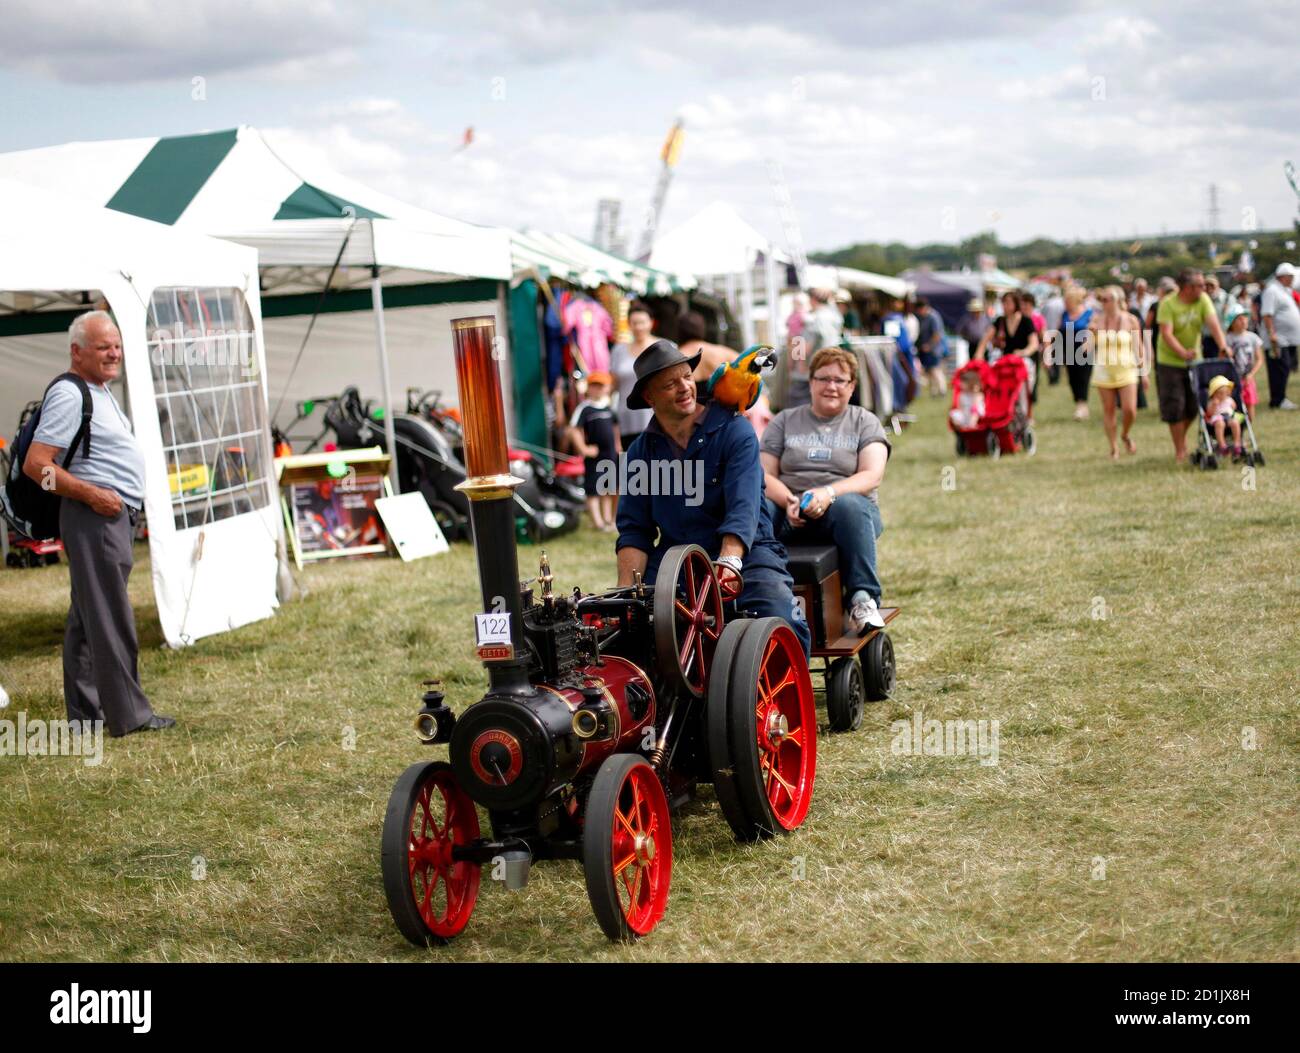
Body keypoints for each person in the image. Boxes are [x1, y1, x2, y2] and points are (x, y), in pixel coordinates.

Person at [23, 311, 174, 737]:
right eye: (103, 346)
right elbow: (39, 467)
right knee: (110, 617)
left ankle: (85, 717)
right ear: (77, 351)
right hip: (95, 516)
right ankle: (129, 715)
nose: (114, 353)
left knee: (88, 618)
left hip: (105, 516)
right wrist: (92, 494)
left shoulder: (98, 390)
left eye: (117, 345)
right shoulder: (71, 394)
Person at [615, 339, 810, 655]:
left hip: (749, 554)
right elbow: (634, 532)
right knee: (633, 630)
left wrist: (729, 563)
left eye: (687, 377)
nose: (685, 388)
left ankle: (781, 698)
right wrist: (625, 595)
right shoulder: (640, 453)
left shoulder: (736, 431)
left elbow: (743, 507)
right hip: (677, 563)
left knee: (781, 617)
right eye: (670, 384)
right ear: (649, 397)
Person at [761, 347, 890, 635]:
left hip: (846, 514)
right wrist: (788, 500)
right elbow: (764, 474)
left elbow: (872, 475)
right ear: (811, 382)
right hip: (790, 509)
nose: (831, 386)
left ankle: (862, 599)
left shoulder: (864, 421)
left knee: (850, 505)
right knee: (758, 508)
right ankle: (760, 596)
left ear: (852, 386)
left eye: (840, 380)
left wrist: (828, 493)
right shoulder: (784, 420)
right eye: (823, 378)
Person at [1155, 269, 1229, 463]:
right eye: (1200, 285)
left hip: (1195, 360)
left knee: (1193, 407)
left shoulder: (1202, 299)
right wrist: (1182, 352)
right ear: (1187, 287)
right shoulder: (1168, 304)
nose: (1204, 288)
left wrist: (1223, 346)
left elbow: (1214, 325)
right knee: (1175, 406)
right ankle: (1180, 449)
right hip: (1170, 361)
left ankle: (1181, 439)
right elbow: (1166, 334)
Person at [1089, 285, 1144, 458]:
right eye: (1101, 300)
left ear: (1117, 301)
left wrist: (1144, 372)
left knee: (1130, 409)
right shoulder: (1096, 320)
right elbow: (1087, 347)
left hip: (1127, 368)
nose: (1103, 303)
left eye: (1106, 299)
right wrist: (1091, 333)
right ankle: (1113, 447)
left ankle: (1125, 434)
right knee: (1109, 410)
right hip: (1104, 370)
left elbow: (1139, 347)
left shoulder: (1131, 320)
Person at [566, 371, 620, 531]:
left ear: (607, 388)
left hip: (610, 455)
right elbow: (572, 430)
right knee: (594, 489)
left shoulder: (609, 408)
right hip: (594, 457)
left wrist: (617, 445)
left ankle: (609, 519)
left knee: (610, 488)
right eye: (594, 386)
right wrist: (583, 448)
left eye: (601, 386)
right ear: (588, 388)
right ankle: (598, 522)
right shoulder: (584, 408)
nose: (597, 389)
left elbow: (615, 427)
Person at [609, 301, 657, 448]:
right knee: (632, 466)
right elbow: (613, 385)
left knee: (660, 467)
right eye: (634, 323)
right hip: (626, 420)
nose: (638, 327)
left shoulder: (665, 347)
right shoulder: (618, 351)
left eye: (642, 322)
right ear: (629, 325)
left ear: (651, 323)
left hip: (656, 419)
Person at [1260, 262, 1300, 410]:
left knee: (1285, 369)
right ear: (1282, 276)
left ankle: (1280, 397)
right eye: (1290, 276)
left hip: (1287, 340)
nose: (1292, 279)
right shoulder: (1272, 291)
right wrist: (1272, 334)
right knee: (1279, 369)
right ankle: (1278, 399)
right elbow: (1267, 314)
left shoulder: (1284, 290)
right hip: (1278, 339)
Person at [1223, 303, 1264, 421]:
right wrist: (1225, 352)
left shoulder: (1253, 337)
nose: (1243, 321)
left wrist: (1251, 374)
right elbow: (1221, 359)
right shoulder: (1228, 338)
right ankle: (1237, 431)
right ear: (1232, 322)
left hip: (1248, 378)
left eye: (1245, 317)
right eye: (1239, 318)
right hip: (1232, 379)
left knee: (1250, 403)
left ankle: (1248, 428)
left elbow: (1260, 359)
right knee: (1233, 405)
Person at [1060, 285, 1094, 420]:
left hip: (1084, 350)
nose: (1065, 304)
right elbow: (1059, 329)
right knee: (1072, 378)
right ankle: (1080, 405)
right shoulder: (1064, 314)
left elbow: (1093, 330)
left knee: (1083, 377)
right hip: (1068, 350)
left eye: (1067, 301)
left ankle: (1082, 406)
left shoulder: (1088, 313)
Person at [975, 291, 1038, 364]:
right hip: (1005, 361)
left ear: (1016, 303)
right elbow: (985, 338)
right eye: (1003, 303)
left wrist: (1023, 352)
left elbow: (1034, 344)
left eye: (1008, 303)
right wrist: (979, 354)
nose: (1004, 306)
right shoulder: (1000, 320)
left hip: (1022, 362)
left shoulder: (1026, 321)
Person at [1203, 375, 1243, 459]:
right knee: (1220, 424)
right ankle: (1222, 445)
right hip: (1217, 418)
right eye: (1220, 393)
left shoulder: (1229, 400)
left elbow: (1234, 407)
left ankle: (1237, 443)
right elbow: (1209, 413)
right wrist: (1214, 405)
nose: (1223, 395)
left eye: (1225, 392)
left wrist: (1233, 405)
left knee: (1235, 422)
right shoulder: (1212, 402)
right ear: (1214, 393)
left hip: (1228, 417)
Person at [914, 298, 948, 395]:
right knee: (929, 371)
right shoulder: (921, 317)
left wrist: (929, 346)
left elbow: (937, 335)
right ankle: (933, 391)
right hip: (925, 349)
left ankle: (942, 389)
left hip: (934, 349)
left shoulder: (933, 317)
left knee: (935, 369)